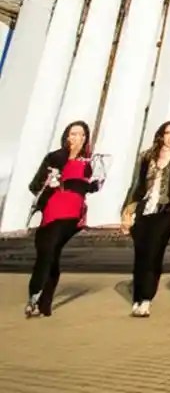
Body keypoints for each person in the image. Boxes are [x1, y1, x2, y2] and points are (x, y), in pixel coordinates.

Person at [120, 120, 170, 318]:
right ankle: (137, 297)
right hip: (145, 210)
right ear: (161, 135)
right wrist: (127, 211)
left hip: (168, 210)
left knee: (154, 251)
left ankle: (146, 299)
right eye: (168, 133)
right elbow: (136, 184)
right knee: (141, 253)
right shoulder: (147, 156)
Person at [25, 121, 100, 318]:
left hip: (72, 214)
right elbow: (34, 185)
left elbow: (90, 187)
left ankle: (36, 297)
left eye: (82, 135)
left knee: (49, 249)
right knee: (49, 253)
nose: (78, 139)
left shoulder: (88, 163)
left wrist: (93, 185)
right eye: (74, 134)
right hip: (51, 211)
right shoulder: (54, 158)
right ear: (66, 136)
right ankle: (42, 301)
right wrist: (49, 182)